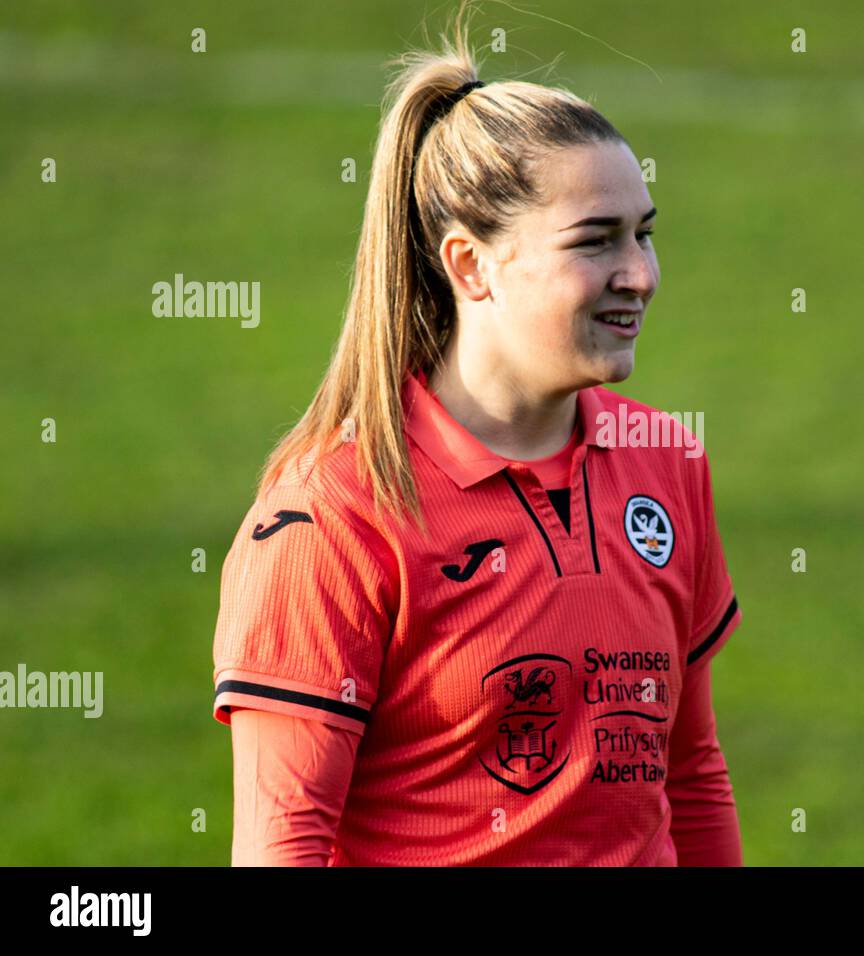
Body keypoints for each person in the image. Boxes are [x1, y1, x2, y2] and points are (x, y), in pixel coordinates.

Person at [210, 7, 743, 866]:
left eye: (644, 234)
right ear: (470, 265)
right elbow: (284, 845)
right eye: (595, 242)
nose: (640, 274)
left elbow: (690, 772)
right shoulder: (334, 517)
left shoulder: (669, 462)